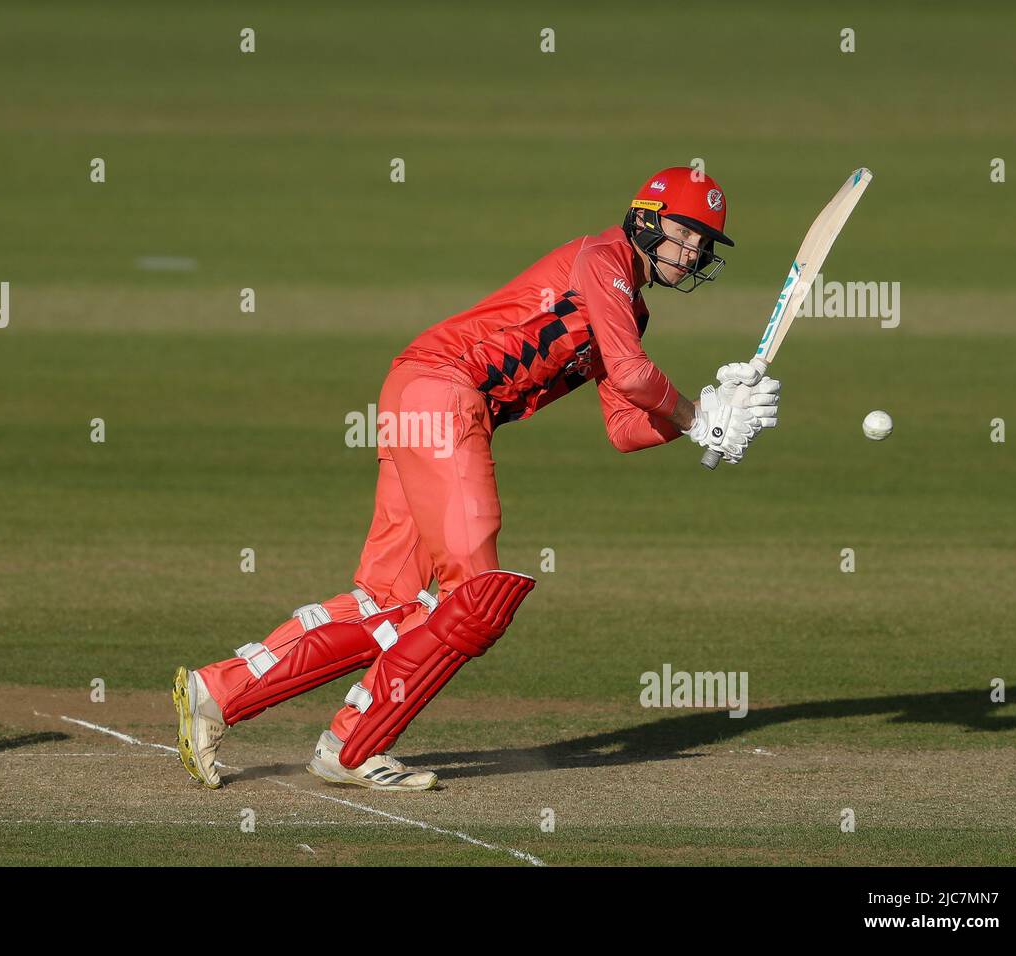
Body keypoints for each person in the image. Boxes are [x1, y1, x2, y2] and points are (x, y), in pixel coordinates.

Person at [172, 166, 780, 791]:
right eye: (687, 234)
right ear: (647, 218)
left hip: (422, 393)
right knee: (476, 600)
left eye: (705, 244)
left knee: (391, 601)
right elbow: (630, 373)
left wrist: (712, 414)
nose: (695, 252)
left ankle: (217, 694)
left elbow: (625, 427)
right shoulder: (606, 258)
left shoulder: (626, 299)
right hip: (443, 393)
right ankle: (352, 747)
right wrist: (700, 415)